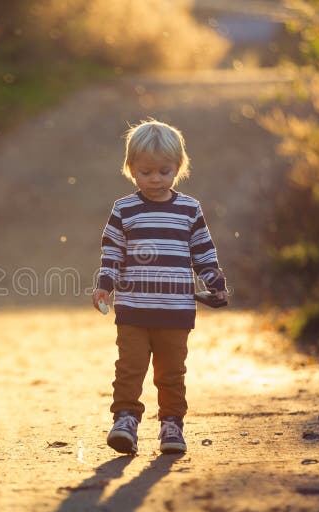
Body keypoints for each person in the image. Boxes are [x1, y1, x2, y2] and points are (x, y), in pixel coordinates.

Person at [92, 118, 228, 455]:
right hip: (134, 310)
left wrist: (216, 284)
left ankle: (171, 425)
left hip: (176, 312)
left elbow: (203, 251)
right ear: (131, 169)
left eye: (164, 171)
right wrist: (104, 285)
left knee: (171, 373)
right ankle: (125, 420)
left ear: (178, 168)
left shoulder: (189, 209)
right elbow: (112, 252)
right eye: (146, 172)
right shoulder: (124, 210)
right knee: (129, 369)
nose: (155, 179)